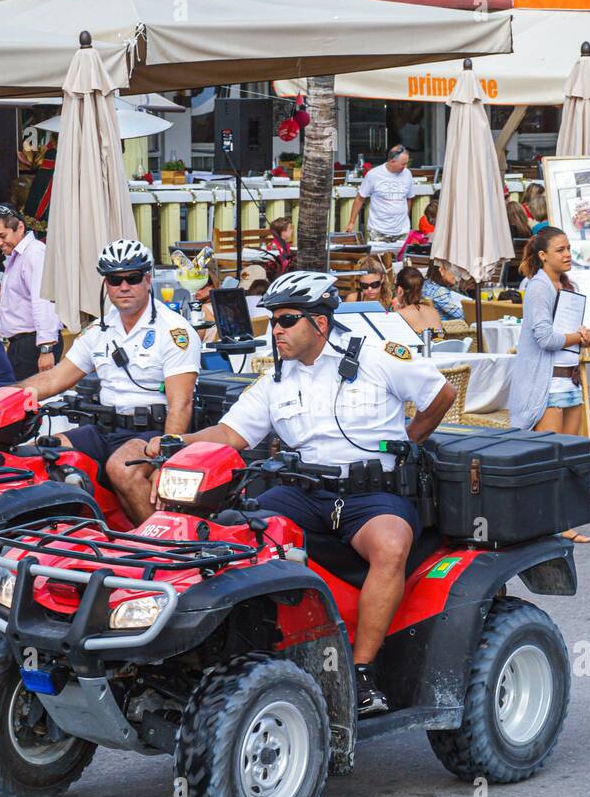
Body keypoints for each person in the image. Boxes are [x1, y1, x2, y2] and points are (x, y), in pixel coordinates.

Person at [144, 271, 456, 715]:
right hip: (305, 492)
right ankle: (241, 649)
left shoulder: (378, 355)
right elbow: (230, 433)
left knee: (390, 546)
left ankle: (363, 673)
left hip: (372, 494)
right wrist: (177, 444)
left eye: (286, 320)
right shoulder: (275, 380)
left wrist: (411, 437)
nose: (275, 330)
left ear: (320, 323)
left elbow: (440, 393)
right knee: (236, 530)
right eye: (273, 320)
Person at [17, 239, 200, 524]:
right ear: (106, 284)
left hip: (149, 432)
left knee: (121, 467)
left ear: (148, 279)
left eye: (133, 278)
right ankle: (83, 535)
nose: (124, 287)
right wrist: (4, 396)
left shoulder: (173, 330)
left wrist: (167, 458)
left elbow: (181, 403)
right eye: (115, 279)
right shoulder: (100, 329)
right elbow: (55, 378)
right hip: (103, 429)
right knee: (44, 454)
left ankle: (163, 549)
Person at [507, 228, 590, 542]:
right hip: (547, 385)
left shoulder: (565, 286)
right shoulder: (538, 287)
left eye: (569, 248)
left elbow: (563, 335)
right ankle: (551, 525)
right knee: (550, 457)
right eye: (560, 249)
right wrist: (579, 336)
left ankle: (559, 521)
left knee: (566, 458)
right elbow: (544, 338)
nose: (567, 254)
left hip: (569, 379)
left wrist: (582, 336)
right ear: (543, 255)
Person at [0, 203, 61, 381]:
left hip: (34, 344)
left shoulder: (34, 254)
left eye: (2, 236)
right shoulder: (18, 255)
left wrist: (46, 348)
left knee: (32, 403)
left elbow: (43, 301)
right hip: (23, 344)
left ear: (20, 227)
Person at [345, 144, 414, 243]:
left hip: (402, 231)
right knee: (377, 258)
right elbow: (360, 198)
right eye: (403, 164)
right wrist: (351, 223)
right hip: (378, 230)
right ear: (392, 161)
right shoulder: (373, 175)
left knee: (402, 259)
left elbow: (409, 198)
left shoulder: (407, 174)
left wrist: (405, 217)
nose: (405, 167)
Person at [392, 266, 443, 336]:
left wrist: (396, 313)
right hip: (441, 345)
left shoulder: (399, 316)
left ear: (400, 290)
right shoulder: (433, 311)